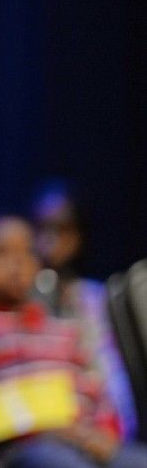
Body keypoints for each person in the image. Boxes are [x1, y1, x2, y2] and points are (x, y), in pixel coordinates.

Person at [0, 214, 147, 468]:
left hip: (83, 437)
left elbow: (89, 383)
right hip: (27, 444)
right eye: (2, 253)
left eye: (27, 252)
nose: (18, 263)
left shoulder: (59, 328)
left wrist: (103, 431)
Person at [32, 180, 138, 439]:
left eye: (63, 229)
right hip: (39, 426)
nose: (51, 239)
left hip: (94, 425)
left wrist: (118, 434)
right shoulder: (16, 298)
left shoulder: (95, 297)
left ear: (79, 235)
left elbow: (109, 372)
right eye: (42, 228)